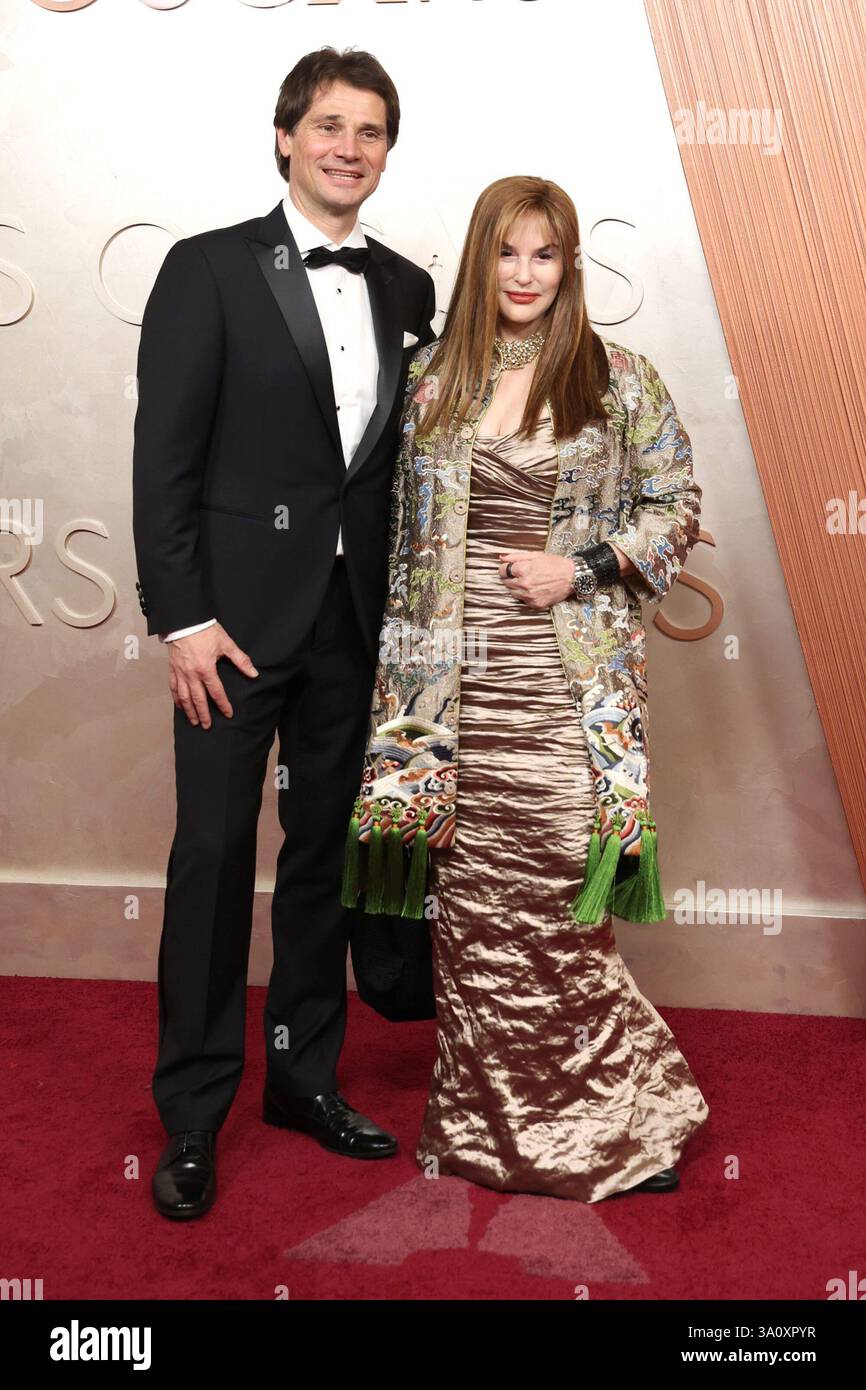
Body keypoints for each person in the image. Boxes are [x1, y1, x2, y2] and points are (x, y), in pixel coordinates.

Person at [341, 175, 710, 1202]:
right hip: (442, 695)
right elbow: (363, 512)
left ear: (569, 264)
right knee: (468, 913)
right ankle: (483, 1126)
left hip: (561, 679)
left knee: (557, 904)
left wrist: (579, 568)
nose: (523, 273)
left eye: (543, 254)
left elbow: (675, 504)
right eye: (506, 252)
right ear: (480, 259)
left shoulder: (616, 378)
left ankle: (614, 1121)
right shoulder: (428, 379)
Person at [132, 46, 436, 1219]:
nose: (347, 147)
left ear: (385, 151)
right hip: (230, 633)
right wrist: (183, 619)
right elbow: (164, 460)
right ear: (284, 136)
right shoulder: (206, 269)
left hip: (353, 631)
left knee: (322, 861)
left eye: (369, 130)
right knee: (212, 859)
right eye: (327, 125)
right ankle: (193, 1113)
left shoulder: (407, 288)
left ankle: (303, 1078)